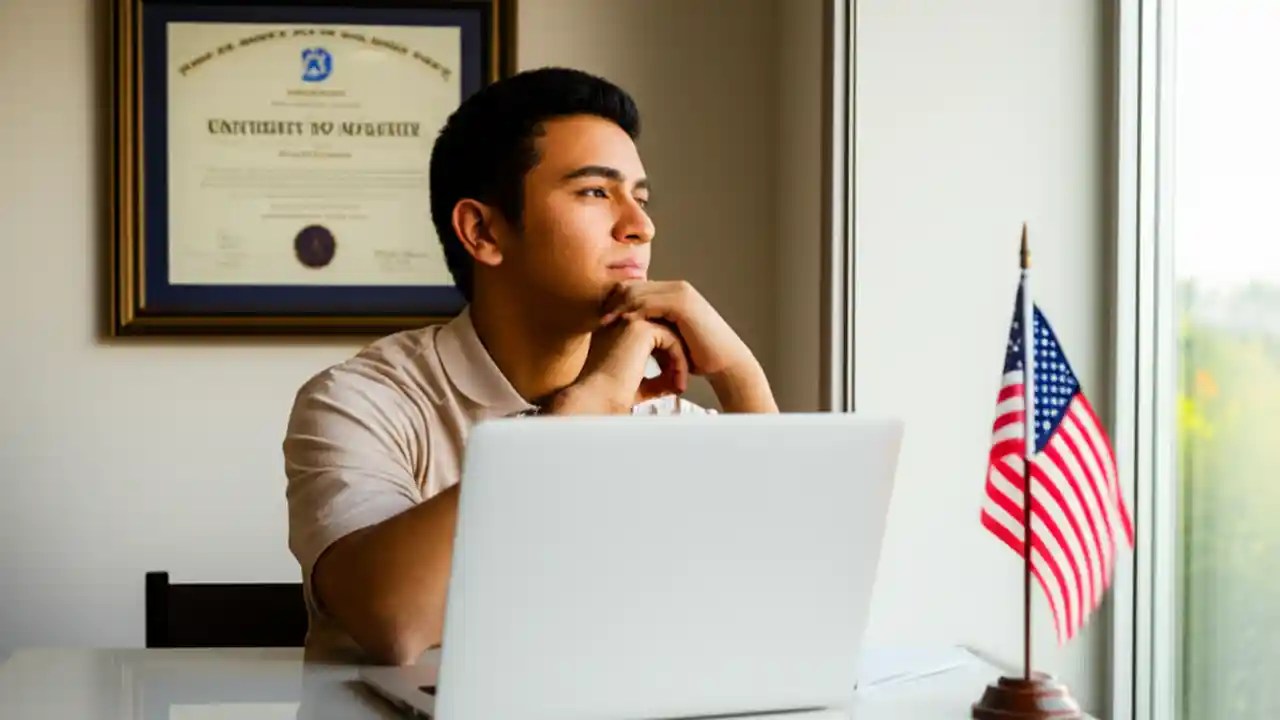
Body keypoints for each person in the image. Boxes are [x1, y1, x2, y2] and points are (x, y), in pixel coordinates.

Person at [282, 67, 778, 666]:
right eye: (596, 192)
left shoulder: (661, 413)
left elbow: (786, 589)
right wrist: (581, 413)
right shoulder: (362, 401)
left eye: (640, 198)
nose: (641, 226)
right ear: (483, 230)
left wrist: (738, 372)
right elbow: (394, 619)